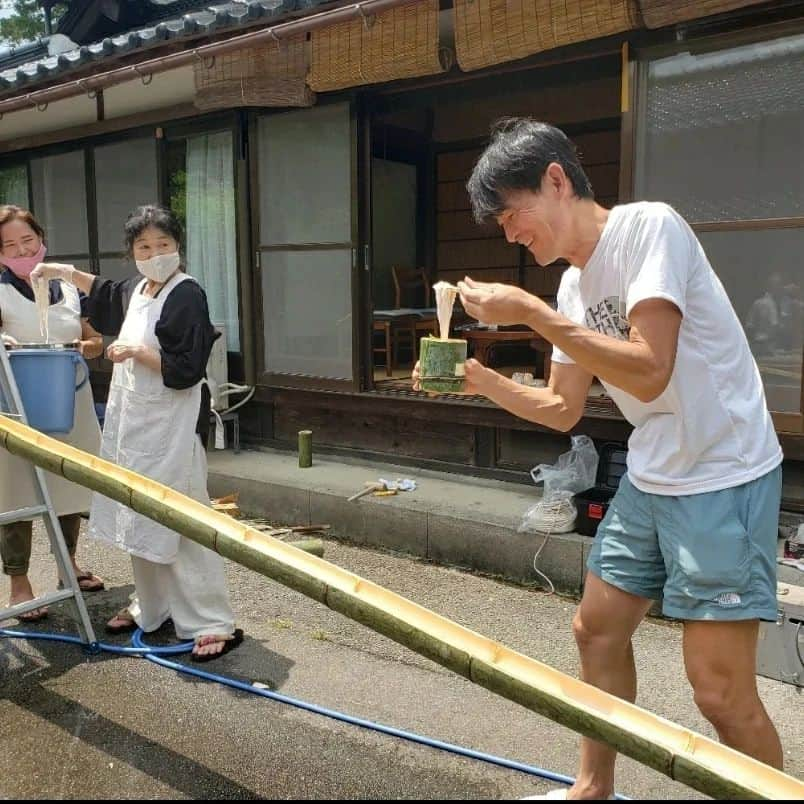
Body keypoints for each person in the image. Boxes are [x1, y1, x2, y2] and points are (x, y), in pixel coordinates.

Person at [415, 120, 784, 798]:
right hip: (655, 470)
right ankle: (594, 789)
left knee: (719, 691)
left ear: (556, 180)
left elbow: (648, 371)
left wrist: (528, 312)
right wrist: (480, 380)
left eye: (510, 214)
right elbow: (563, 408)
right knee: (596, 630)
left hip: (722, 471)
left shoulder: (650, 230)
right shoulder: (574, 289)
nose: (508, 233)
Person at [31, 205, 242, 662]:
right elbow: (107, 291)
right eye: (144, 246)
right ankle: (152, 607)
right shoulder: (142, 287)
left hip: (172, 426)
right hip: (134, 425)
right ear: (132, 253)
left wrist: (136, 352)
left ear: (178, 246)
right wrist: (62, 272)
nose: (155, 253)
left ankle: (211, 620)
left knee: (184, 521)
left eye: (163, 245)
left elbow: (186, 368)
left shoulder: (186, 294)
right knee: (139, 517)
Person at [0, 205, 104, 621]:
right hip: (15, 402)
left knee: (68, 484)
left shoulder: (67, 285)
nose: (21, 250)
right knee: (15, 490)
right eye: (8, 244)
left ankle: (68, 564)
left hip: (69, 397)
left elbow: (92, 336)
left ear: (41, 240)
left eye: (27, 240)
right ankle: (18, 581)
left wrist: (91, 347)